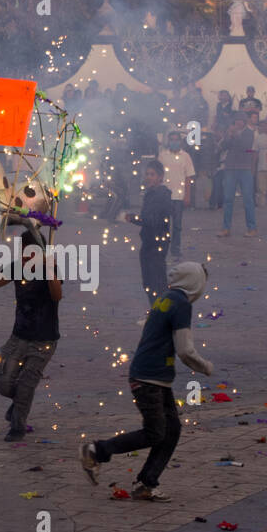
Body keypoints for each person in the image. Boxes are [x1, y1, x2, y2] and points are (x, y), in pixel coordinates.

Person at [79, 262, 212, 500]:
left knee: (171, 430)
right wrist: (204, 366)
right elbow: (185, 350)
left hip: (153, 376)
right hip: (149, 377)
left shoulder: (168, 297)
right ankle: (97, 450)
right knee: (155, 433)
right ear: (196, 283)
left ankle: (146, 483)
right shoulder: (181, 304)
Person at [0, 226, 62, 442]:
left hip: (44, 340)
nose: (26, 258)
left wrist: (49, 272)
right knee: (3, 382)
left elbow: (56, 295)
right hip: (19, 336)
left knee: (27, 384)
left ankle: (17, 427)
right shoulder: (17, 267)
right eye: (23, 253)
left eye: (30, 254)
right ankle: (19, 402)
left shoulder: (51, 267)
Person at [127, 160, 173, 305]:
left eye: (152, 174)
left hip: (157, 243)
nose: (149, 177)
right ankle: (156, 312)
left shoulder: (162, 195)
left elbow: (153, 219)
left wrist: (136, 218)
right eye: (147, 174)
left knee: (156, 281)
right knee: (148, 281)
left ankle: (161, 314)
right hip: (148, 242)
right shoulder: (150, 194)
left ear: (160, 177)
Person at [217, 113, 258, 237]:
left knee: (248, 199)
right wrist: (228, 137)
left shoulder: (249, 133)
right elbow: (223, 147)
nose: (239, 122)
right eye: (236, 120)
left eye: (241, 120)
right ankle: (226, 228)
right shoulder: (230, 132)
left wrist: (236, 136)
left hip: (245, 168)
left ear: (244, 121)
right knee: (228, 199)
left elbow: (246, 147)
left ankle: (252, 228)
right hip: (230, 168)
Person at [159, 131, 196, 259]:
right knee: (164, 224)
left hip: (179, 196)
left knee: (177, 225)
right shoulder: (163, 156)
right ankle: (163, 247)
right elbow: (159, 175)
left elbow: (188, 178)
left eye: (176, 140)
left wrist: (188, 195)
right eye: (172, 140)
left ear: (180, 142)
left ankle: (175, 248)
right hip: (165, 195)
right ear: (168, 142)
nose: (174, 142)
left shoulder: (186, 156)